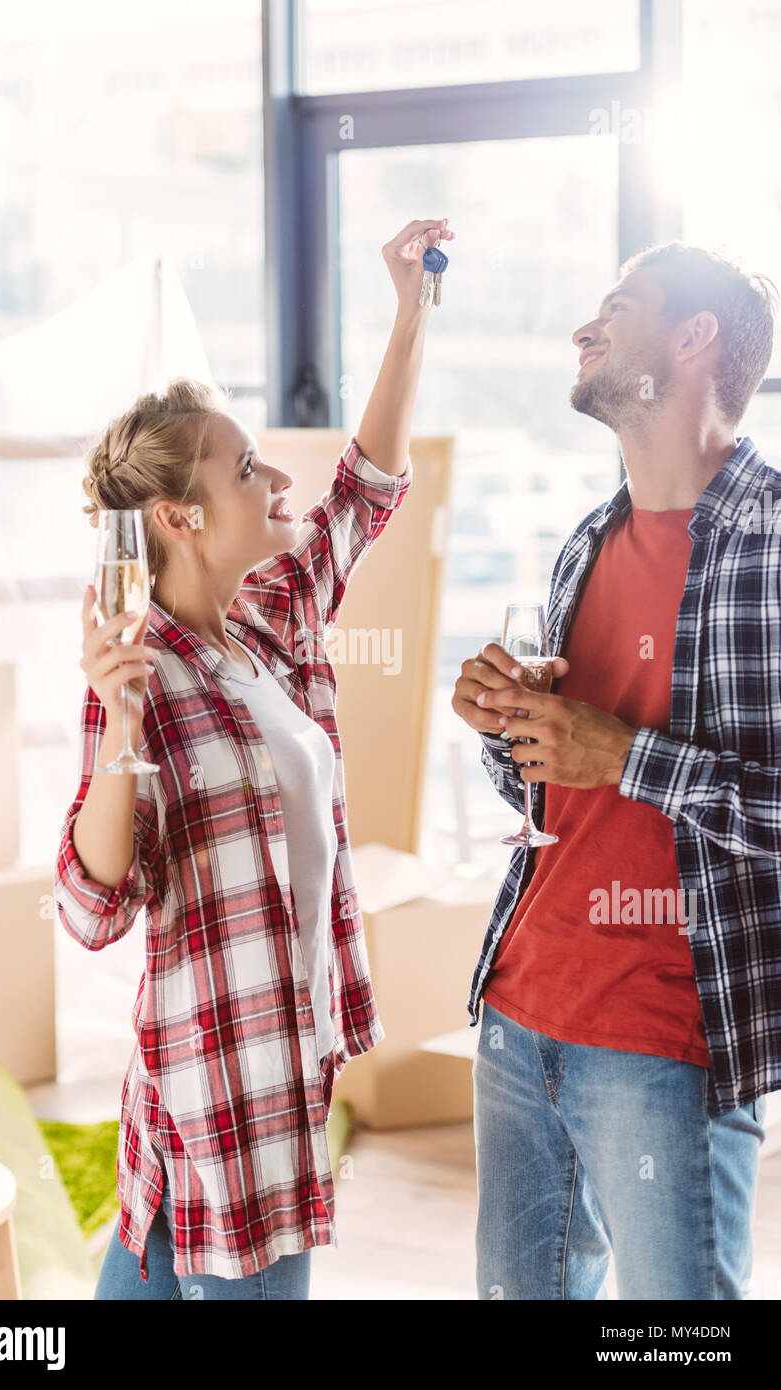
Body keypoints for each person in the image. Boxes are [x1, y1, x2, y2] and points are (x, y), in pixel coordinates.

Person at [53, 217, 455, 1301]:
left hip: (280, 1076)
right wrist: (122, 733)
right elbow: (92, 906)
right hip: (220, 1106)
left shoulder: (269, 619)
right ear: (181, 515)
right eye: (245, 466)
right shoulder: (140, 671)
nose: (278, 473)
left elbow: (364, 487)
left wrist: (412, 310)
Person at [453, 242, 779, 1300]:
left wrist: (626, 753)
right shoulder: (584, 543)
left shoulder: (772, 548)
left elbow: (644, 770)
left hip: (666, 1043)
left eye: (618, 308)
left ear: (696, 340)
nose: (584, 330)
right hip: (517, 1014)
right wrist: (511, 729)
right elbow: (558, 791)